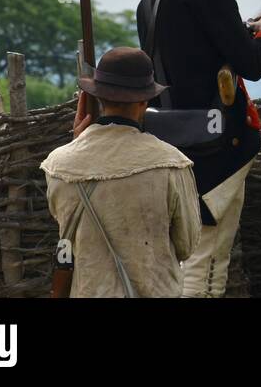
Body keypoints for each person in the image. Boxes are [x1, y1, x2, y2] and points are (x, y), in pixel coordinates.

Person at [131, 0, 261, 297]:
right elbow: (251, 65)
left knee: (181, 258)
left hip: (171, 137)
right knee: (207, 260)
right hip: (215, 145)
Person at [43, 47, 200, 297]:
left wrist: (77, 144)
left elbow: (64, 225)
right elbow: (187, 244)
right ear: (144, 101)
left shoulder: (57, 165)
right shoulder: (172, 163)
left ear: (99, 98)